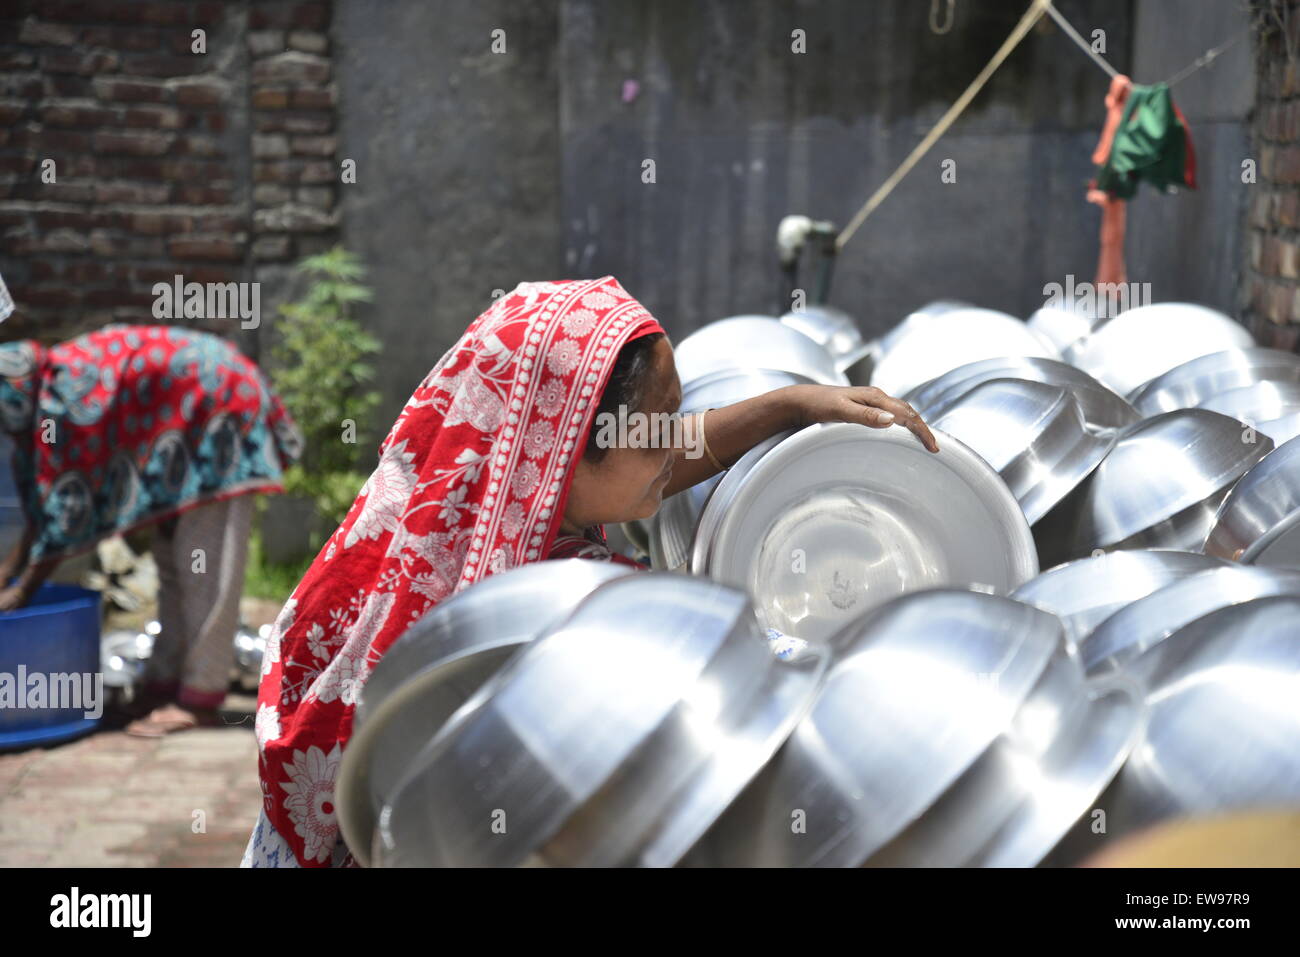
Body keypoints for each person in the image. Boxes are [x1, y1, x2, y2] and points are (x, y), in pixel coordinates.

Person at [244, 276, 936, 867]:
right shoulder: (564, 604)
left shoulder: (415, 515)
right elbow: (750, 666)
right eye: (657, 423)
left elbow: (643, 459)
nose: (674, 439)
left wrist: (788, 405)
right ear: (565, 445)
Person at [0, 324, 302, 736]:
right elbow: (42, 507)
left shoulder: (64, 400)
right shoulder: (45, 386)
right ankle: (164, 682)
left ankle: (200, 696)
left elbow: (67, 511)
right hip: (185, 417)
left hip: (219, 407)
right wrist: (6, 573)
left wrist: (21, 592)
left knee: (205, 568)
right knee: (173, 564)